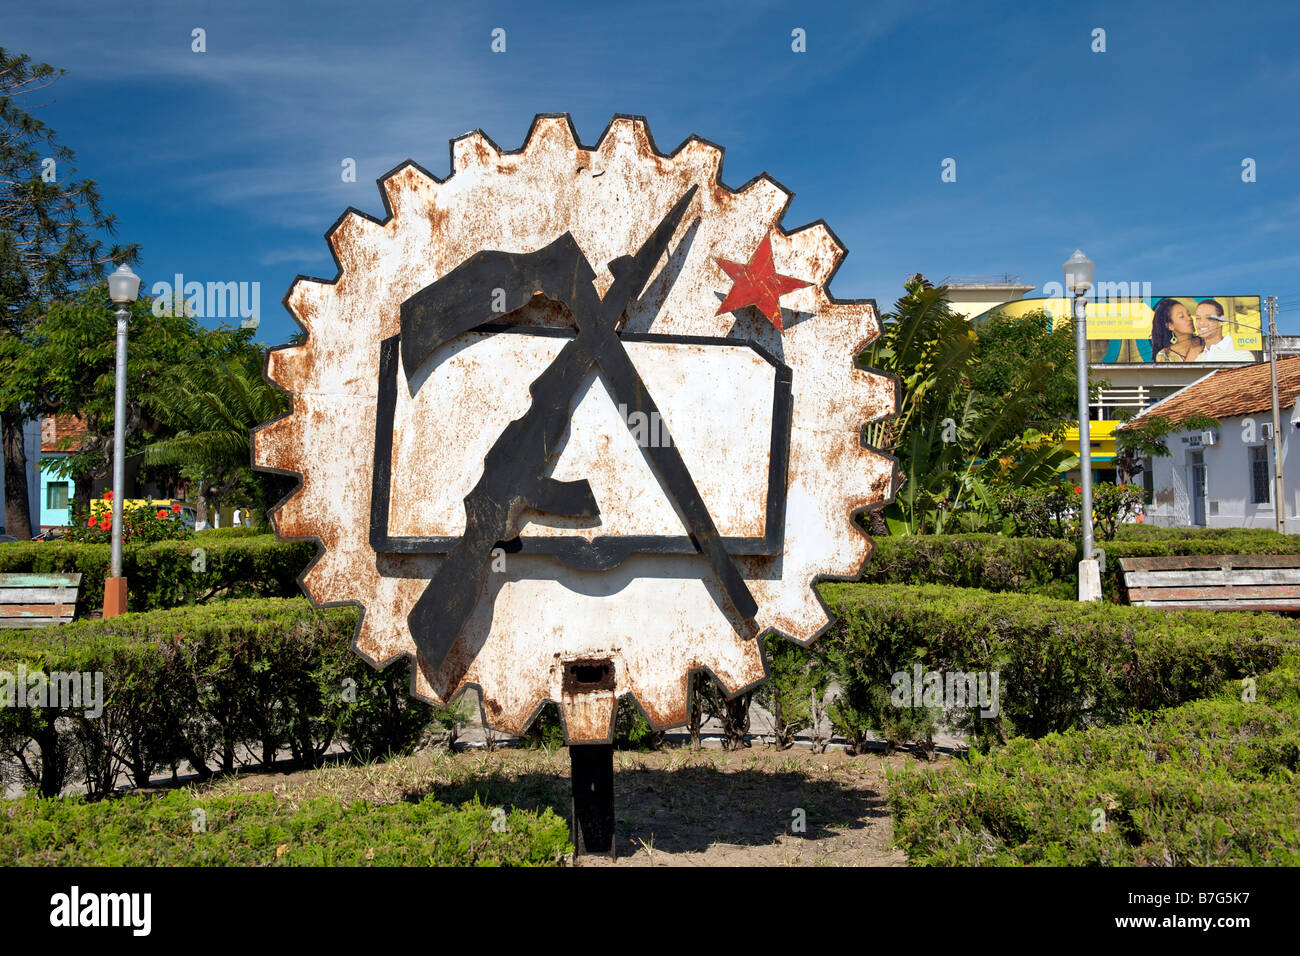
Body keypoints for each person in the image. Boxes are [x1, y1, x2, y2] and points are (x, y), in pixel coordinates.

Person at [1151, 298, 1203, 362]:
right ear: (1170, 326)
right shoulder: (1164, 355)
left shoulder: (1206, 342)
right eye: (1181, 316)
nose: (1189, 318)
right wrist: (1190, 357)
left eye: (1189, 314)